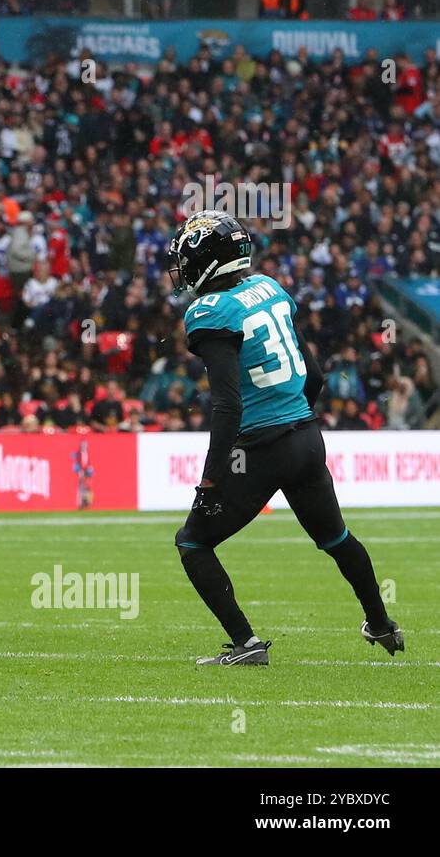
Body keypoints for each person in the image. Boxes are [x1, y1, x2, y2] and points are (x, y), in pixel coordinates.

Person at [166, 210, 403, 665]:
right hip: (306, 438)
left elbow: (227, 406)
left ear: (208, 261)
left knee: (192, 542)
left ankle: (246, 644)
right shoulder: (270, 288)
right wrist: (297, 423)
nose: (182, 270)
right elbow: (314, 375)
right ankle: (380, 622)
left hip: (259, 448)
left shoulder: (210, 311)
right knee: (337, 539)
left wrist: (212, 477)